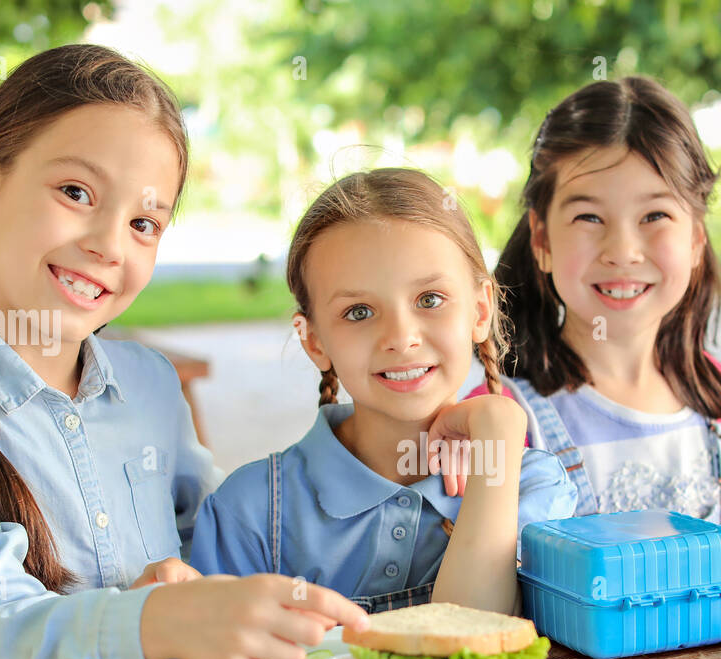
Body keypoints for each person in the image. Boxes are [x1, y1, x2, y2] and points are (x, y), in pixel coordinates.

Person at [0, 45, 367, 659]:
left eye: (144, 223)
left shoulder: (150, 384)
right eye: (77, 193)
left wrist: (406, 429)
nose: (111, 245)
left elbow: (231, 542)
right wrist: (154, 620)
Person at [191, 168, 577, 615]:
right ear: (315, 342)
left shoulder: (531, 487)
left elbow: (470, 637)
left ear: (480, 309)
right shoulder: (249, 512)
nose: (401, 337)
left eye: (429, 299)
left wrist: (499, 436)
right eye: (359, 312)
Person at [488, 76, 721, 523]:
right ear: (542, 238)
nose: (623, 251)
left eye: (655, 215)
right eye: (589, 216)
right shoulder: (504, 415)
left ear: (695, 240)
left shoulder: (720, 400)